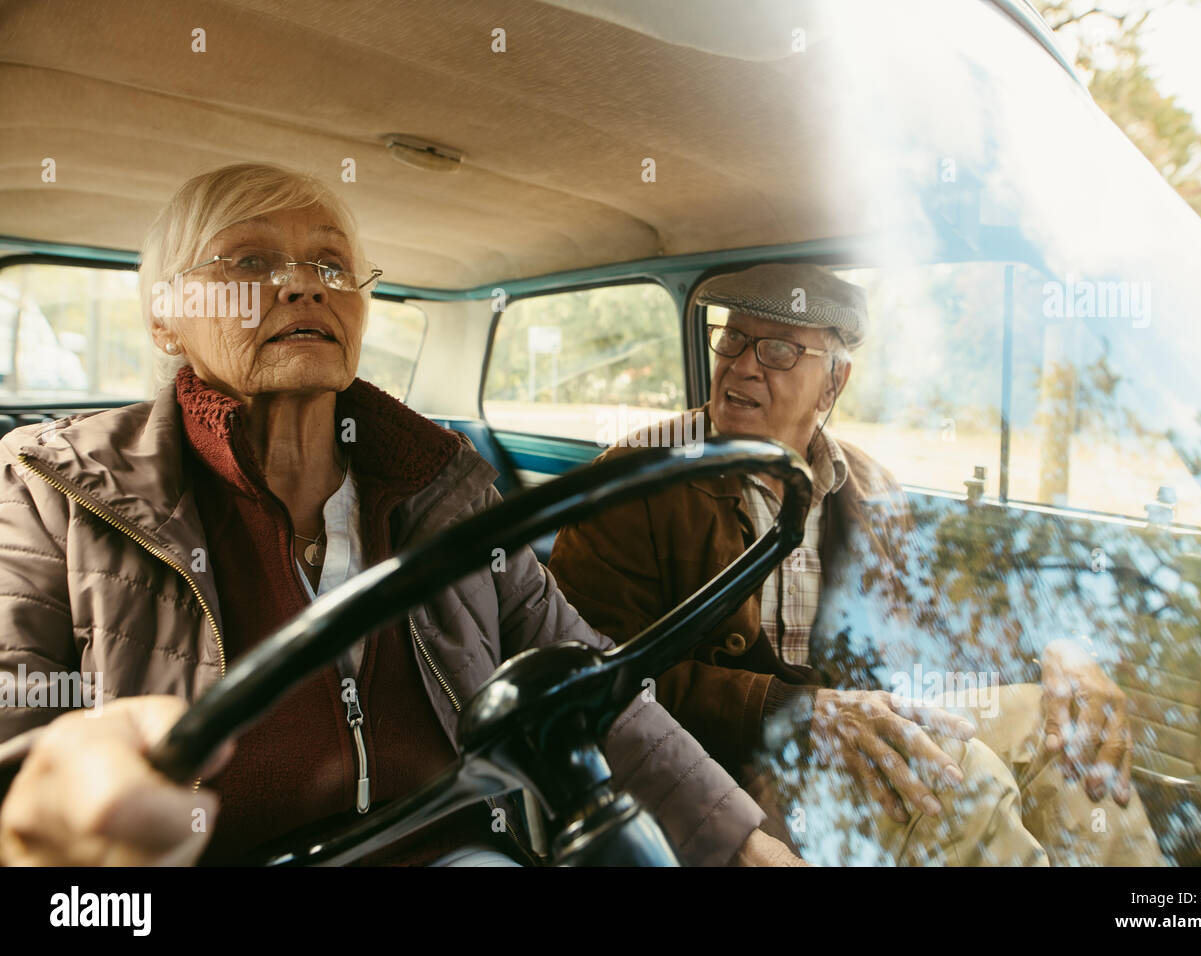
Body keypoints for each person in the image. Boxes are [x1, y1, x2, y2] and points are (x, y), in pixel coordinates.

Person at [0, 163, 801, 867]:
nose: (305, 284)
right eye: (250, 261)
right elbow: (19, 736)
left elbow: (584, 677)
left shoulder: (448, 493)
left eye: (331, 265)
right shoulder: (54, 489)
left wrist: (733, 838)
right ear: (163, 317)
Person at [549, 262, 1164, 865]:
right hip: (717, 772)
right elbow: (594, 682)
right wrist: (801, 713)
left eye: (779, 350)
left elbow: (929, 626)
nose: (740, 364)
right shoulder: (636, 478)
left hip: (855, 729)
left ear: (834, 383)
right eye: (733, 337)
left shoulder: (872, 487)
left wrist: (1057, 649)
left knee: (1054, 727)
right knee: (955, 772)